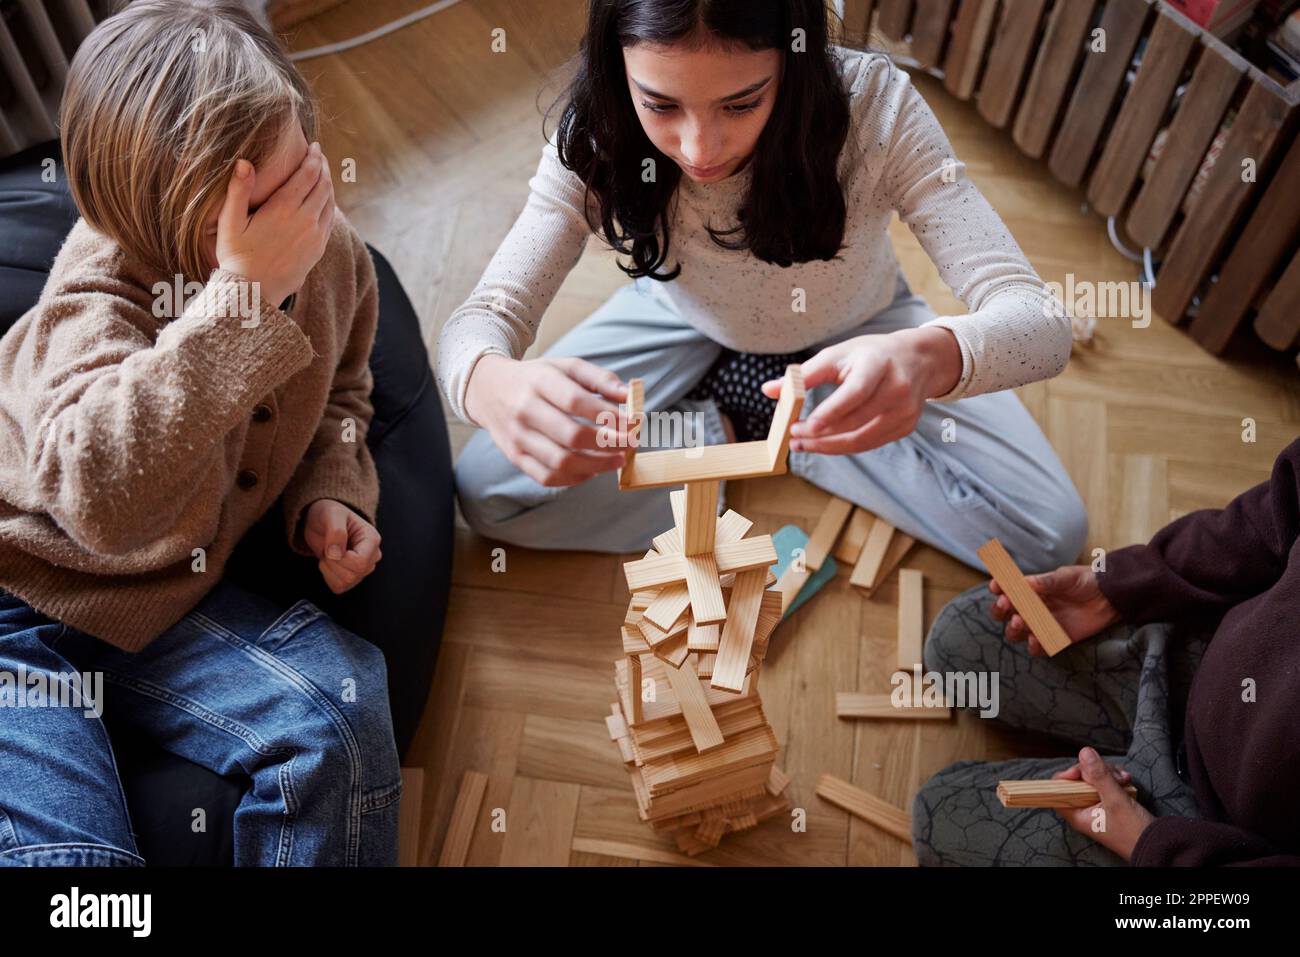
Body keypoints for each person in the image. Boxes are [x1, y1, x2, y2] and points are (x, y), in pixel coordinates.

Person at [438, 0, 1086, 572]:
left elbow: (1042, 324)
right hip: (678, 319)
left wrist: (930, 356)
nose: (699, 148)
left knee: (1050, 532)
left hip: (861, 330)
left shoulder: (878, 109)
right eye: (660, 104)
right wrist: (486, 379)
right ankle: (738, 429)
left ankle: (794, 432)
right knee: (489, 492)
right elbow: (487, 313)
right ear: (618, 68)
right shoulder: (596, 130)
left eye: (742, 102)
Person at [0, 0, 399, 866]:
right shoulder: (95, 297)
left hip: (167, 596)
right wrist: (245, 304)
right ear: (182, 226)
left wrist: (330, 490)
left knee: (339, 708)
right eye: (275, 202)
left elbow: (344, 393)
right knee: (80, 873)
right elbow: (102, 501)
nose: (311, 207)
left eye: (311, 166)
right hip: (20, 602)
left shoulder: (334, 259)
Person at [913, 437, 1300, 866]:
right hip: (1209, 667)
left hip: (1219, 840)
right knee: (958, 640)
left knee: (938, 817)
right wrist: (1129, 584)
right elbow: (1278, 509)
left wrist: (1151, 846)